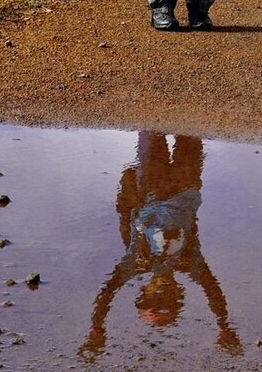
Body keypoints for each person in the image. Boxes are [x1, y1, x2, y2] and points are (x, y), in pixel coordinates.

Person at [80, 133, 241, 359]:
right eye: (168, 299)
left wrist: (97, 327)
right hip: (187, 184)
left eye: (154, 298)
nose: (162, 293)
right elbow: (211, 289)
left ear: (143, 290)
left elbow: (108, 292)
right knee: (190, 131)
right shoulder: (189, 261)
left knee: (152, 130)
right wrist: (223, 325)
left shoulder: (136, 261)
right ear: (179, 292)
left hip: (152, 184)